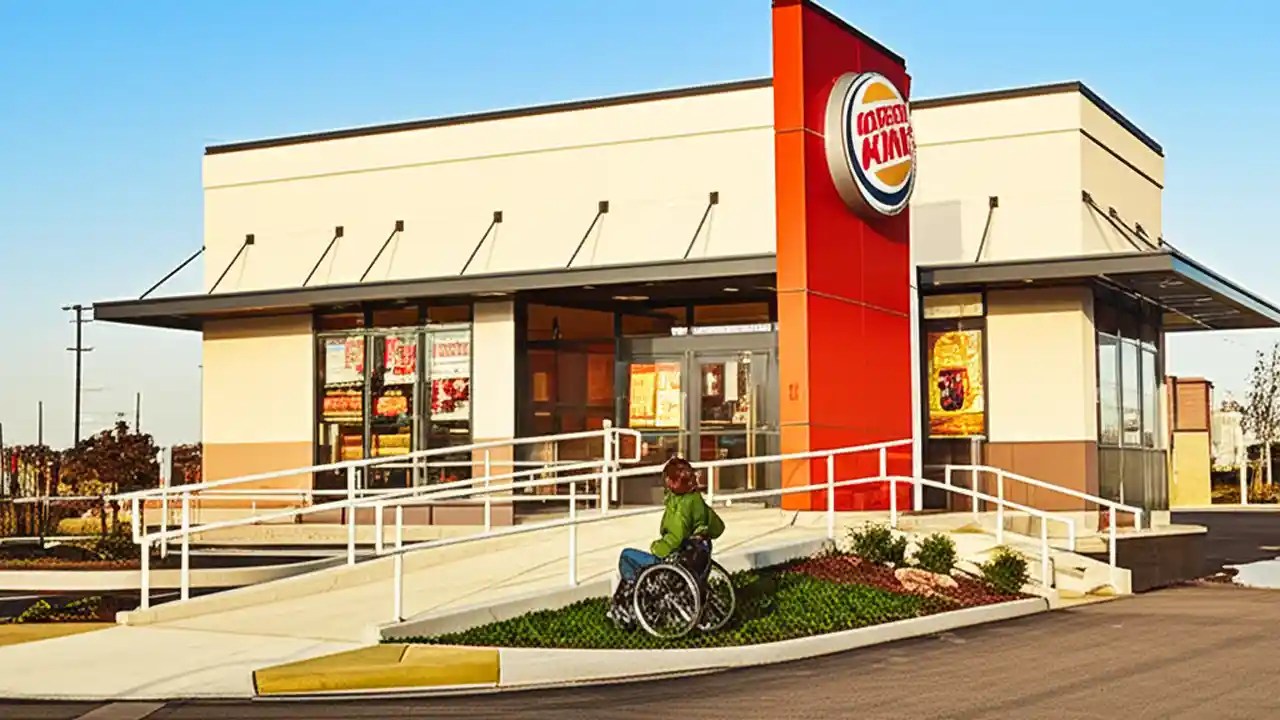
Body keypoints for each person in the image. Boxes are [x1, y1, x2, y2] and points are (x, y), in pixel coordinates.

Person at [608, 456, 725, 625]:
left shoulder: (680, 506)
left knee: (627, 556)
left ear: (671, 481)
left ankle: (628, 607)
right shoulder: (698, 501)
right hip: (695, 556)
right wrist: (701, 534)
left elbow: (675, 539)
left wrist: (657, 547)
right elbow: (718, 527)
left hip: (675, 561)